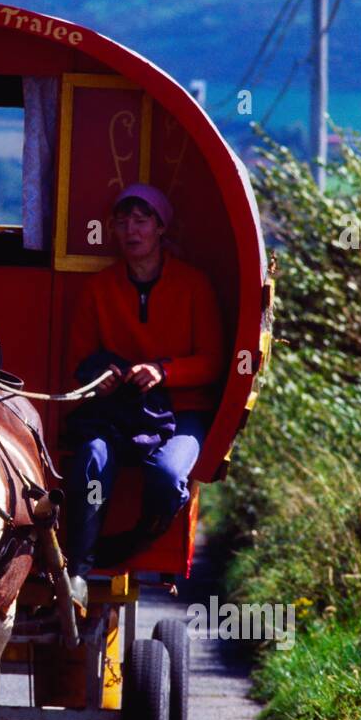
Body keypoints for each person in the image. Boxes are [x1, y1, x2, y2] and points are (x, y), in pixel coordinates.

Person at [64, 183, 224, 608]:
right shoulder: (100, 288)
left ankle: (138, 540)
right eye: (122, 221)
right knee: (90, 462)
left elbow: (212, 361)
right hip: (118, 413)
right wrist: (103, 377)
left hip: (182, 411)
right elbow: (80, 361)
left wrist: (163, 371)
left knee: (170, 475)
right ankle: (77, 570)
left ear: (160, 228)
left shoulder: (194, 285)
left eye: (141, 220)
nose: (131, 229)